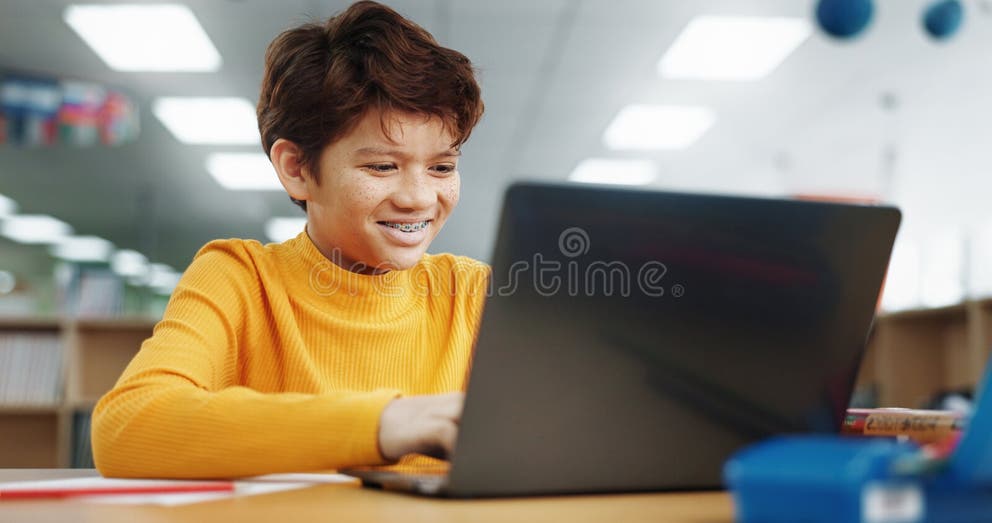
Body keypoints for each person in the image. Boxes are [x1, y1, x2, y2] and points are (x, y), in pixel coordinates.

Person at [91, 0, 487, 478]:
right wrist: (385, 422)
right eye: (382, 166)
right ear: (297, 169)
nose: (419, 198)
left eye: (442, 167)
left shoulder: (472, 294)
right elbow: (127, 428)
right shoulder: (240, 277)